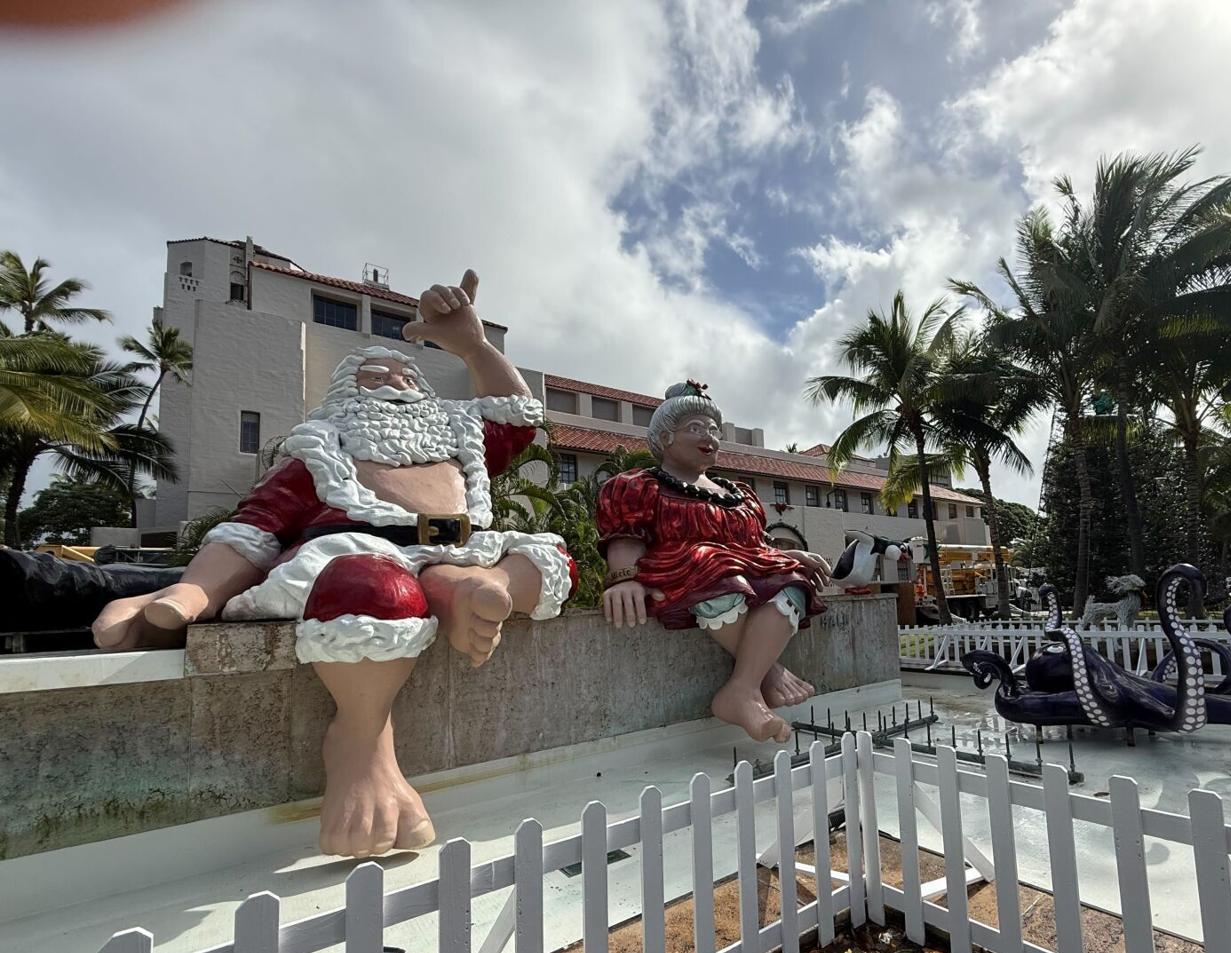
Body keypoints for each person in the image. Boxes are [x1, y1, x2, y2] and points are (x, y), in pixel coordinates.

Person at [93, 271, 575, 857]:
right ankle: (361, 740)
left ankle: (471, 587)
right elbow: (253, 528)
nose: (395, 382)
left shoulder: (457, 437)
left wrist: (473, 347)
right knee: (376, 586)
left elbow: (521, 418)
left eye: (406, 375)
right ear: (347, 394)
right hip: (359, 549)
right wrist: (195, 593)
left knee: (541, 557)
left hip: (454, 546)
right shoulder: (323, 447)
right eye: (376, 376)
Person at [597, 381, 830, 744]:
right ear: (664, 438)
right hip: (689, 569)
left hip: (739, 566)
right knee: (712, 565)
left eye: (713, 430)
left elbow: (757, 546)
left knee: (792, 578)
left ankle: (742, 687)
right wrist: (624, 577)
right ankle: (765, 674)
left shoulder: (739, 494)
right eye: (694, 428)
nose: (709, 436)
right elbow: (626, 536)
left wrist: (791, 556)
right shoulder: (639, 486)